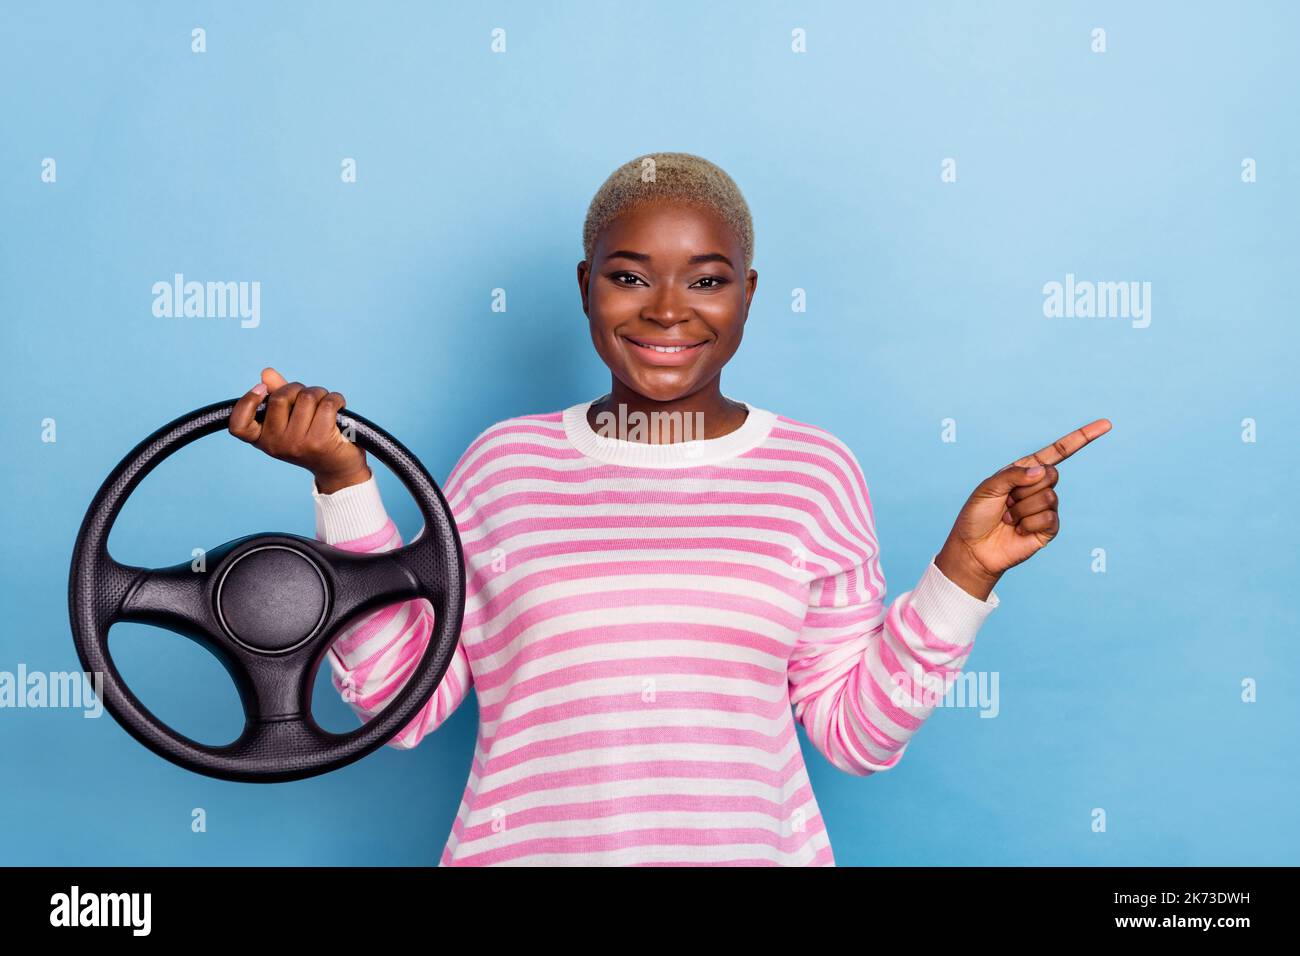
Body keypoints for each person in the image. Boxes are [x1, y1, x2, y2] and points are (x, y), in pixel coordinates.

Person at [228, 151, 1110, 865]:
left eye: (707, 280)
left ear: (748, 295)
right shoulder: (502, 467)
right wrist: (343, 485)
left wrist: (962, 576)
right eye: (628, 276)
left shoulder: (814, 472)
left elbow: (855, 736)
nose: (666, 310)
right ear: (585, 288)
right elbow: (399, 707)